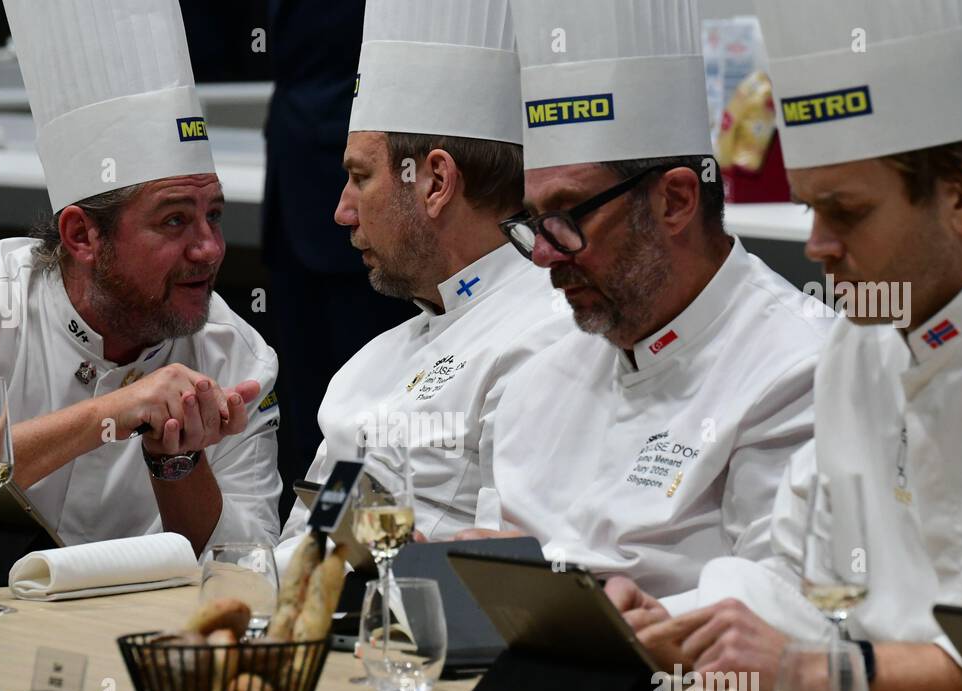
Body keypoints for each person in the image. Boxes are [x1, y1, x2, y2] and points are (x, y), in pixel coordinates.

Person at [609, 0, 962, 691]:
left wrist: (821, 672)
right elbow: (797, 570)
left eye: (845, 212)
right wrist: (684, 627)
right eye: (809, 208)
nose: (815, 245)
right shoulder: (860, 339)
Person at [462, 0, 833, 598]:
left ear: (677, 201)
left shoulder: (799, 368)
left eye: (566, 218)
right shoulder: (542, 372)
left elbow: (781, 608)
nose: (542, 255)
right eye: (532, 222)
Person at [0, 0, 281, 552]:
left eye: (213, 215)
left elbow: (250, 559)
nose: (210, 249)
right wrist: (112, 410)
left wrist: (178, 462)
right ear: (81, 236)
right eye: (174, 220)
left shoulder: (237, 357)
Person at [275, 0, 571, 558]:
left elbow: (500, 582)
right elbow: (300, 553)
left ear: (435, 182)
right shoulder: (369, 366)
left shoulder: (549, 337)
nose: (342, 211)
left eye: (360, 178)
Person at [262, 0, 415, 501]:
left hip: (379, 195)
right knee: (305, 410)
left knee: (373, 408)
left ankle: (359, 536)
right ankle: (309, 541)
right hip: (290, 198)